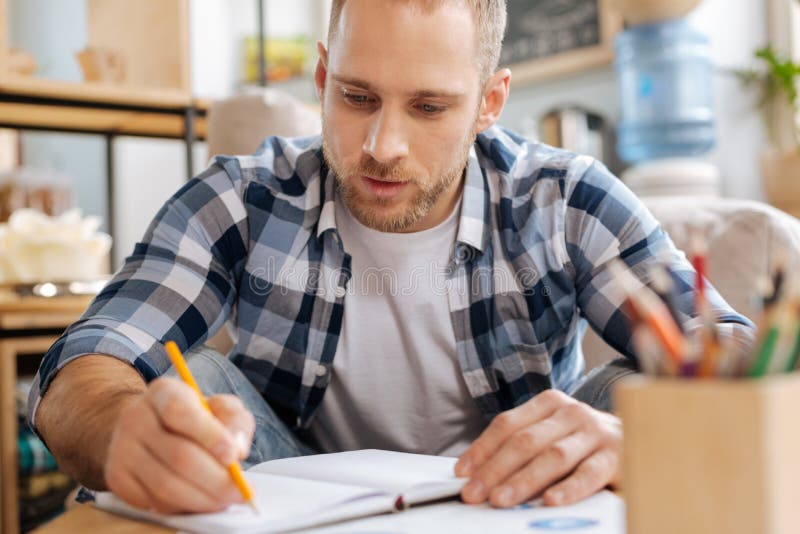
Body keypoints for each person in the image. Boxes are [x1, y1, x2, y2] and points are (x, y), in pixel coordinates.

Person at [30, 0, 754, 515]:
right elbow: (84, 364)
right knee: (197, 381)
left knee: (638, 390)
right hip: (295, 503)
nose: (383, 146)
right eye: (357, 97)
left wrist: (641, 437)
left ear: (490, 101)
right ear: (322, 78)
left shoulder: (566, 198)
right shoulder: (242, 197)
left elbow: (732, 352)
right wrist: (123, 430)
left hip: (517, 502)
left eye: (430, 108)